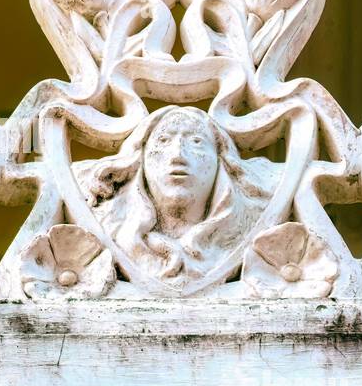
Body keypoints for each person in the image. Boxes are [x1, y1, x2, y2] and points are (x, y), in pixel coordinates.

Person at [79, 106, 274, 284]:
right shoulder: (104, 225)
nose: (177, 155)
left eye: (197, 142)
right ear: (140, 158)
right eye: (163, 140)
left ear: (221, 160)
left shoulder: (256, 227)